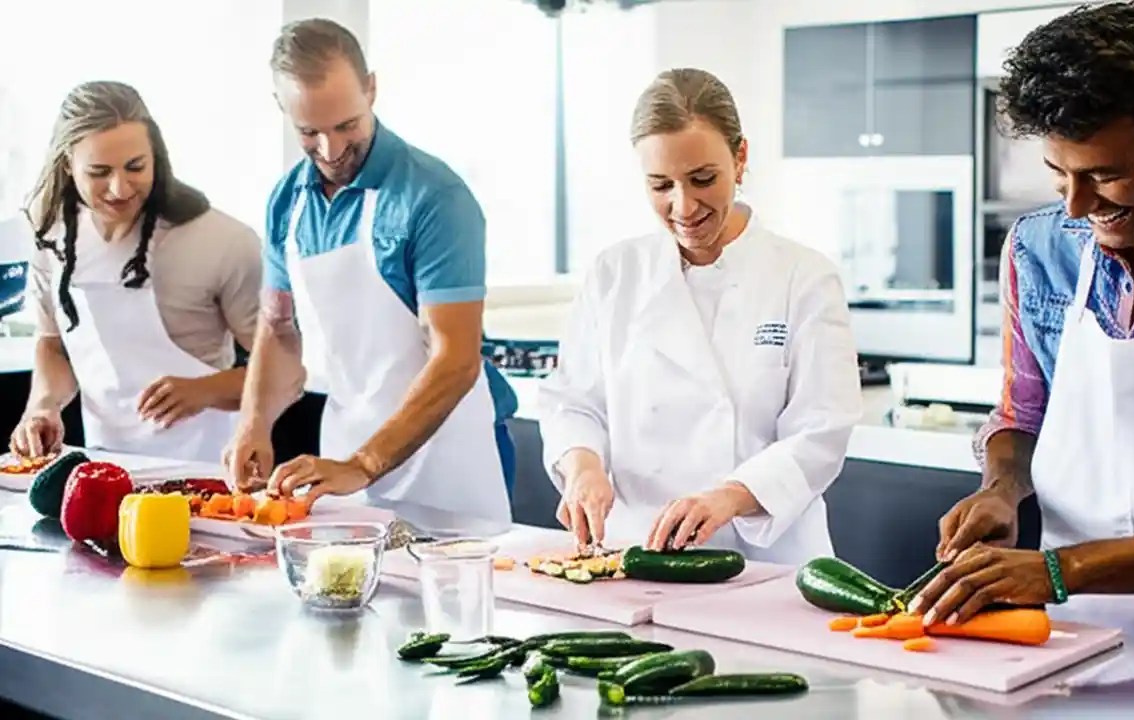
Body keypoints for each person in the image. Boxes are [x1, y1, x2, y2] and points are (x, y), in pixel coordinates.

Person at [910, 1, 1134, 660]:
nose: (1078, 208)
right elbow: (1023, 417)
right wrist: (1000, 491)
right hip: (1069, 638)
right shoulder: (1038, 248)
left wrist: (1059, 571)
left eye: (1105, 175)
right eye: (1061, 177)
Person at [538, 68, 863, 563]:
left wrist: (728, 498)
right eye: (660, 185)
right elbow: (573, 403)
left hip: (765, 560)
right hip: (633, 549)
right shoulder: (615, 272)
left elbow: (821, 432)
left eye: (702, 180)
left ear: (740, 158)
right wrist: (583, 468)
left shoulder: (804, 276)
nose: (683, 206)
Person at [224, 19, 517, 521]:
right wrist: (254, 421)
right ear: (282, 109)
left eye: (346, 126)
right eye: (309, 132)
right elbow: (278, 327)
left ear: (371, 89)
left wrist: (363, 463)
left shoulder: (434, 198)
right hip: (341, 467)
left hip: (447, 467)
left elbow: (457, 360)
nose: (331, 150)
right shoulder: (287, 202)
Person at [8, 81, 260, 463]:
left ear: (156, 157)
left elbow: (285, 373)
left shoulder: (222, 241)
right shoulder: (53, 239)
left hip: (209, 470)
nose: (119, 188)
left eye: (135, 167)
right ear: (67, 165)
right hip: (104, 470)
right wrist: (42, 405)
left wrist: (205, 390)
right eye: (98, 172)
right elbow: (53, 342)